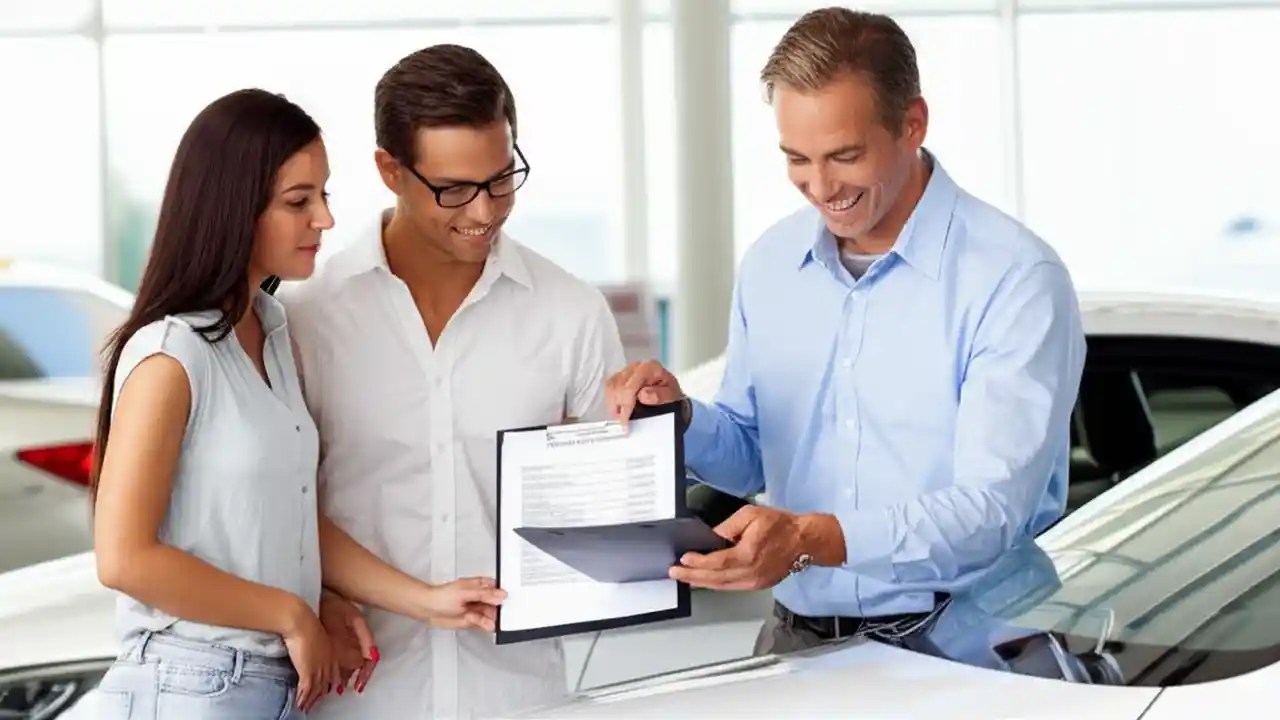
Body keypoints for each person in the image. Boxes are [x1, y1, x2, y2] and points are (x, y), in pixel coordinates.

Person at [606, 7, 1087, 656]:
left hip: (970, 655)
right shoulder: (772, 267)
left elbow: (988, 512)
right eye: (796, 158)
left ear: (912, 124)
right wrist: (681, 415)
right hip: (796, 644)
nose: (821, 186)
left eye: (845, 156)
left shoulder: (1014, 278)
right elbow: (753, 453)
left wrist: (809, 538)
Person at [91, 88, 506, 720]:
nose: (325, 220)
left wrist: (423, 600)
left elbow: (291, 519)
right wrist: (289, 612)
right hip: (189, 684)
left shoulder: (272, 331)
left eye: (324, 195)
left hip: (268, 686)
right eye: (297, 201)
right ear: (233, 209)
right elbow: (125, 559)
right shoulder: (170, 355)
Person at [278, 44, 627, 718]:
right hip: (355, 699)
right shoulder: (306, 318)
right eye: (454, 189)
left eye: (502, 179)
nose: (485, 210)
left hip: (521, 695)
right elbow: (280, 509)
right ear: (389, 170)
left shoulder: (570, 313)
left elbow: (617, 520)